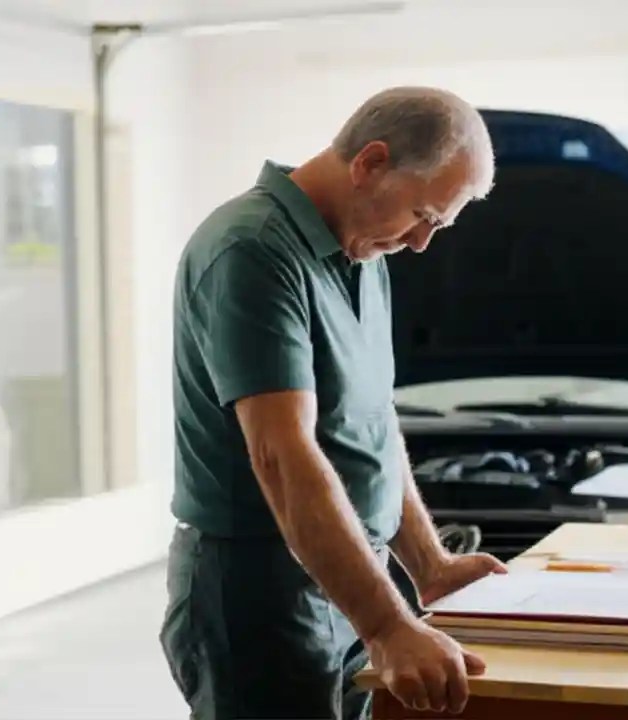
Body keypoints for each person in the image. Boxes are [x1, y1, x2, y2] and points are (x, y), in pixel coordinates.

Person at [162, 86, 503, 720]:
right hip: (259, 593)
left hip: (346, 579)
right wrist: (388, 626)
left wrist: (427, 565)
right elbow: (281, 454)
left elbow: (370, 422)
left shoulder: (363, 252)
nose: (422, 244)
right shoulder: (253, 251)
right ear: (371, 163)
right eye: (424, 215)